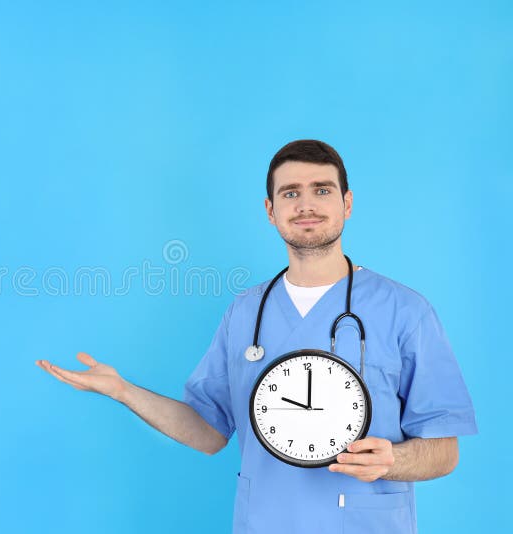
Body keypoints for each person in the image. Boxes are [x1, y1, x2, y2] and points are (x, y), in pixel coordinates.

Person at [35, 139, 477, 533]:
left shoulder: (405, 310)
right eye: (291, 193)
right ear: (271, 210)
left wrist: (392, 461)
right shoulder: (245, 312)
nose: (306, 205)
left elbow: (445, 450)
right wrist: (123, 391)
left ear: (347, 203)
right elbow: (209, 432)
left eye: (322, 190)